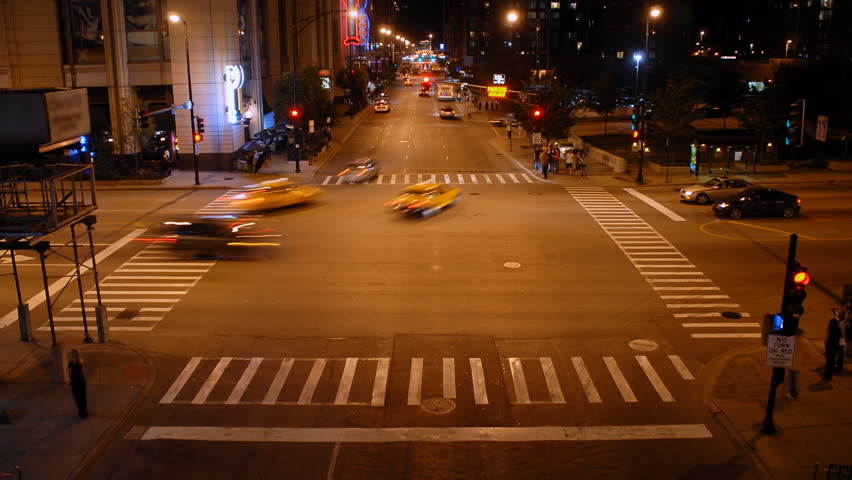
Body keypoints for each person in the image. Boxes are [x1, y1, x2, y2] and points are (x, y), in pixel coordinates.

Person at [68, 349, 88, 418]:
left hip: (75, 381)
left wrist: (70, 380)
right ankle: (85, 413)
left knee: (77, 397)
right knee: (83, 397)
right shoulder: (81, 361)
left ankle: (80, 413)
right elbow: (82, 370)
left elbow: (69, 373)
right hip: (82, 380)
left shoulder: (70, 363)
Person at [825, 310, 843, 380]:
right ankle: (828, 376)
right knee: (831, 361)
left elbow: (828, 332)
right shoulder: (838, 326)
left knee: (829, 361)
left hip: (830, 344)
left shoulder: (833, 323)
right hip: (833, 345)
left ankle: (827, 375)